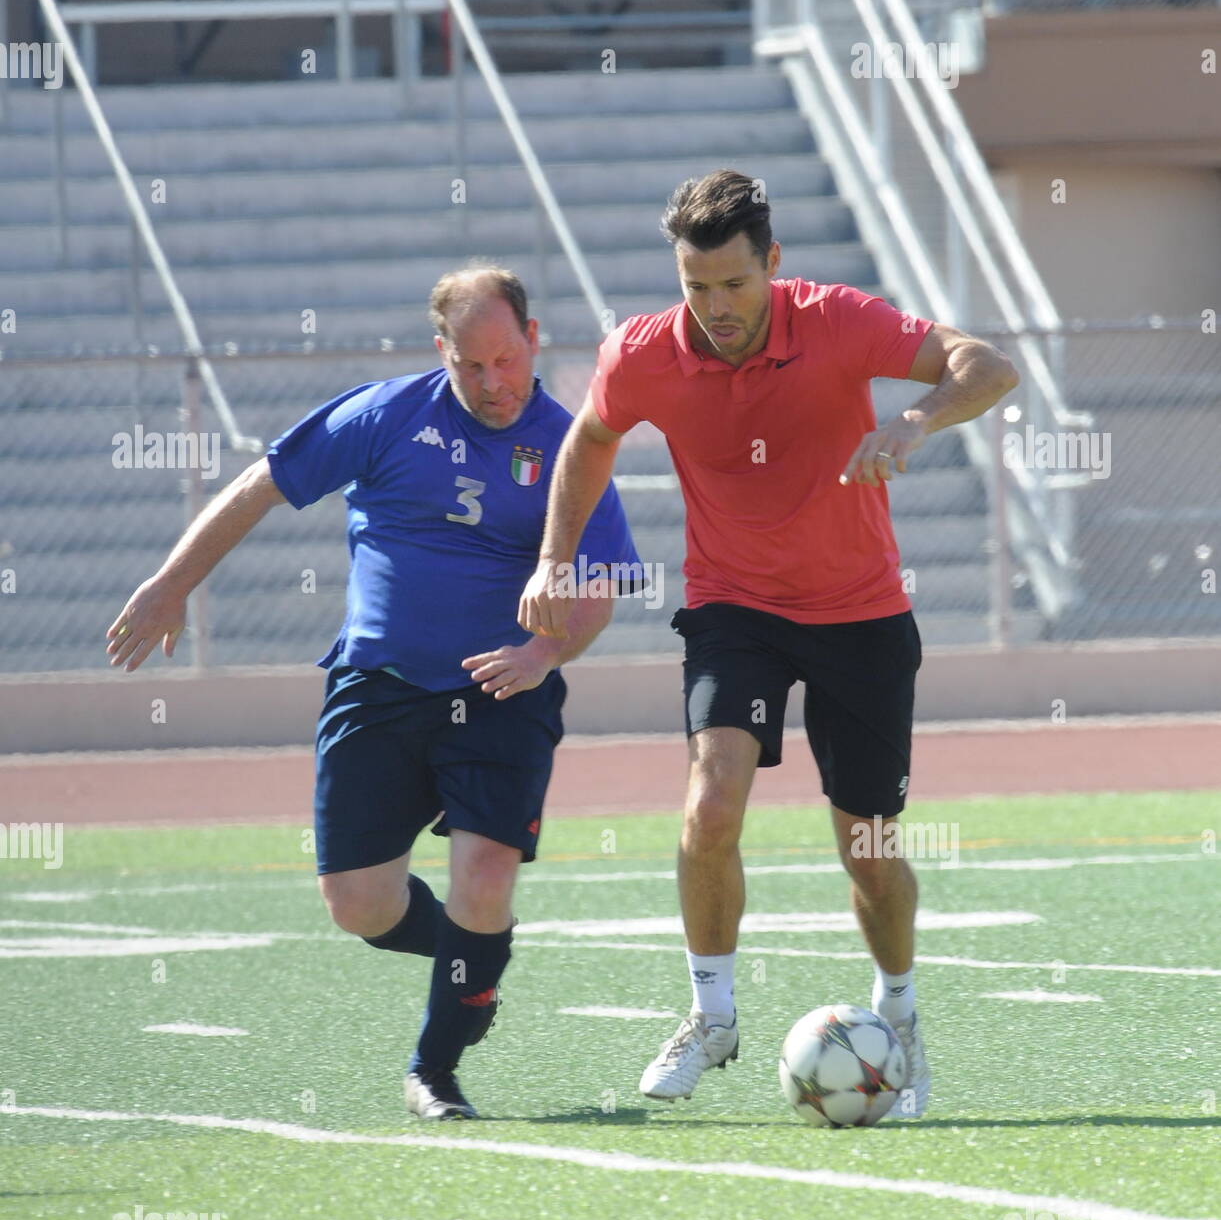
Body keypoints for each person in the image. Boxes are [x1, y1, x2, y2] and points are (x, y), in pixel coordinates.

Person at [519, 170, 1019, 1113]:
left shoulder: (837, 319)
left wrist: (912, 419)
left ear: (772, 265)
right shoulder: (643, 353)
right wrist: (554, 558)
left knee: (866, 848)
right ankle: (712, 1017)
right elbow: (589, 439)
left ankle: (899, 1020)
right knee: (709, 810)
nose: (714, 308)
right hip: (733, 608)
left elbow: (988, 366)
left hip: (860, 612)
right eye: (694, 287)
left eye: (733, 285)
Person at [107, 265, 641, 1121]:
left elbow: (602, 584)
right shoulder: (385, 413)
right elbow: (260, 484)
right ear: (443, 353)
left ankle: (434, 1066)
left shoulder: (572, 444)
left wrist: (544, 652)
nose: (493, 381)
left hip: (503, 690)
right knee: (357, 905)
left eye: (506, 358)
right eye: (471, 365)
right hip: (378, 687)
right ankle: (474, 965)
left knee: (485, 871)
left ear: (532, 340)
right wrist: (173, 583)